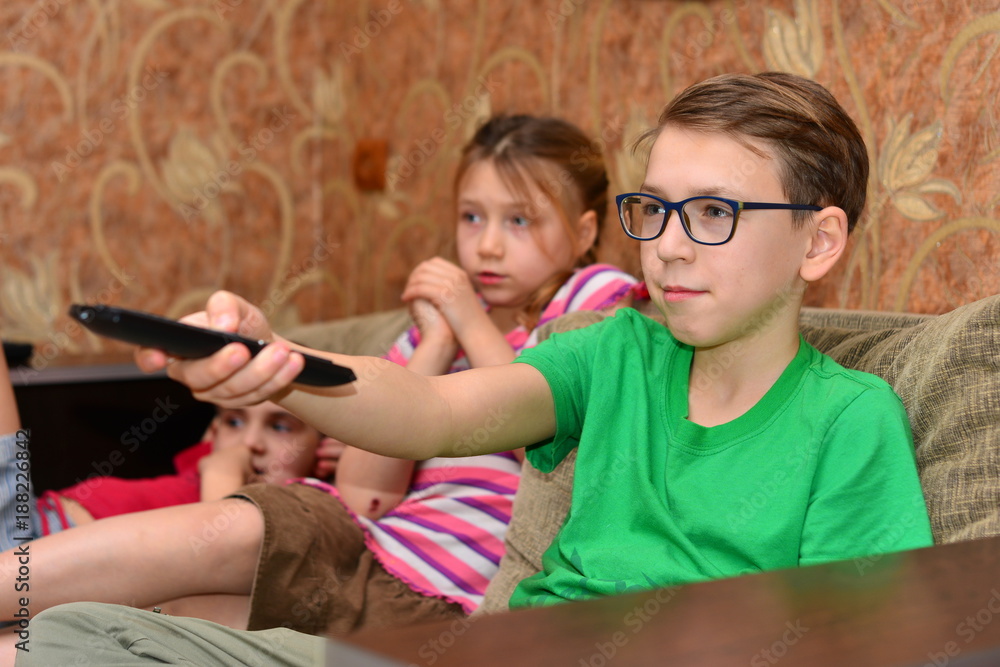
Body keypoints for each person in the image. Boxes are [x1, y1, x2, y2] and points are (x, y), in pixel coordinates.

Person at [17, 71, 935, 664]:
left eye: (713, 214)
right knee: (71, 636)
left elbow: (868, 642)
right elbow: (428, 412)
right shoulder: (619, 351)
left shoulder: (851, 420)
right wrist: (278, 362)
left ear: (819, 240)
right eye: (654, 211)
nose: (670, 248)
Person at [1, 113, 637, 657]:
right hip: (364, 540)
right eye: (472, 218)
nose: (488, 245)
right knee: (184, 566)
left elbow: (558, 449)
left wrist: (467, 322)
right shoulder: (429, 336)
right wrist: (436, 342)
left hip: (440, 591)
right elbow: (364, 494)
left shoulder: (598, 305)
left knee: (164, 618)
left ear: (582, 234)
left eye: (519, 222)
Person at [0, 344, 336, 552]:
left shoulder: (289, 505)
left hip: (39, 546)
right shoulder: (205, 463)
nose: (250, 443)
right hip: (43, 518)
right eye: (235, 421)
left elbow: (221, 548)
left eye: (279, 426)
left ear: (321, 452)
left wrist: (349, 451)